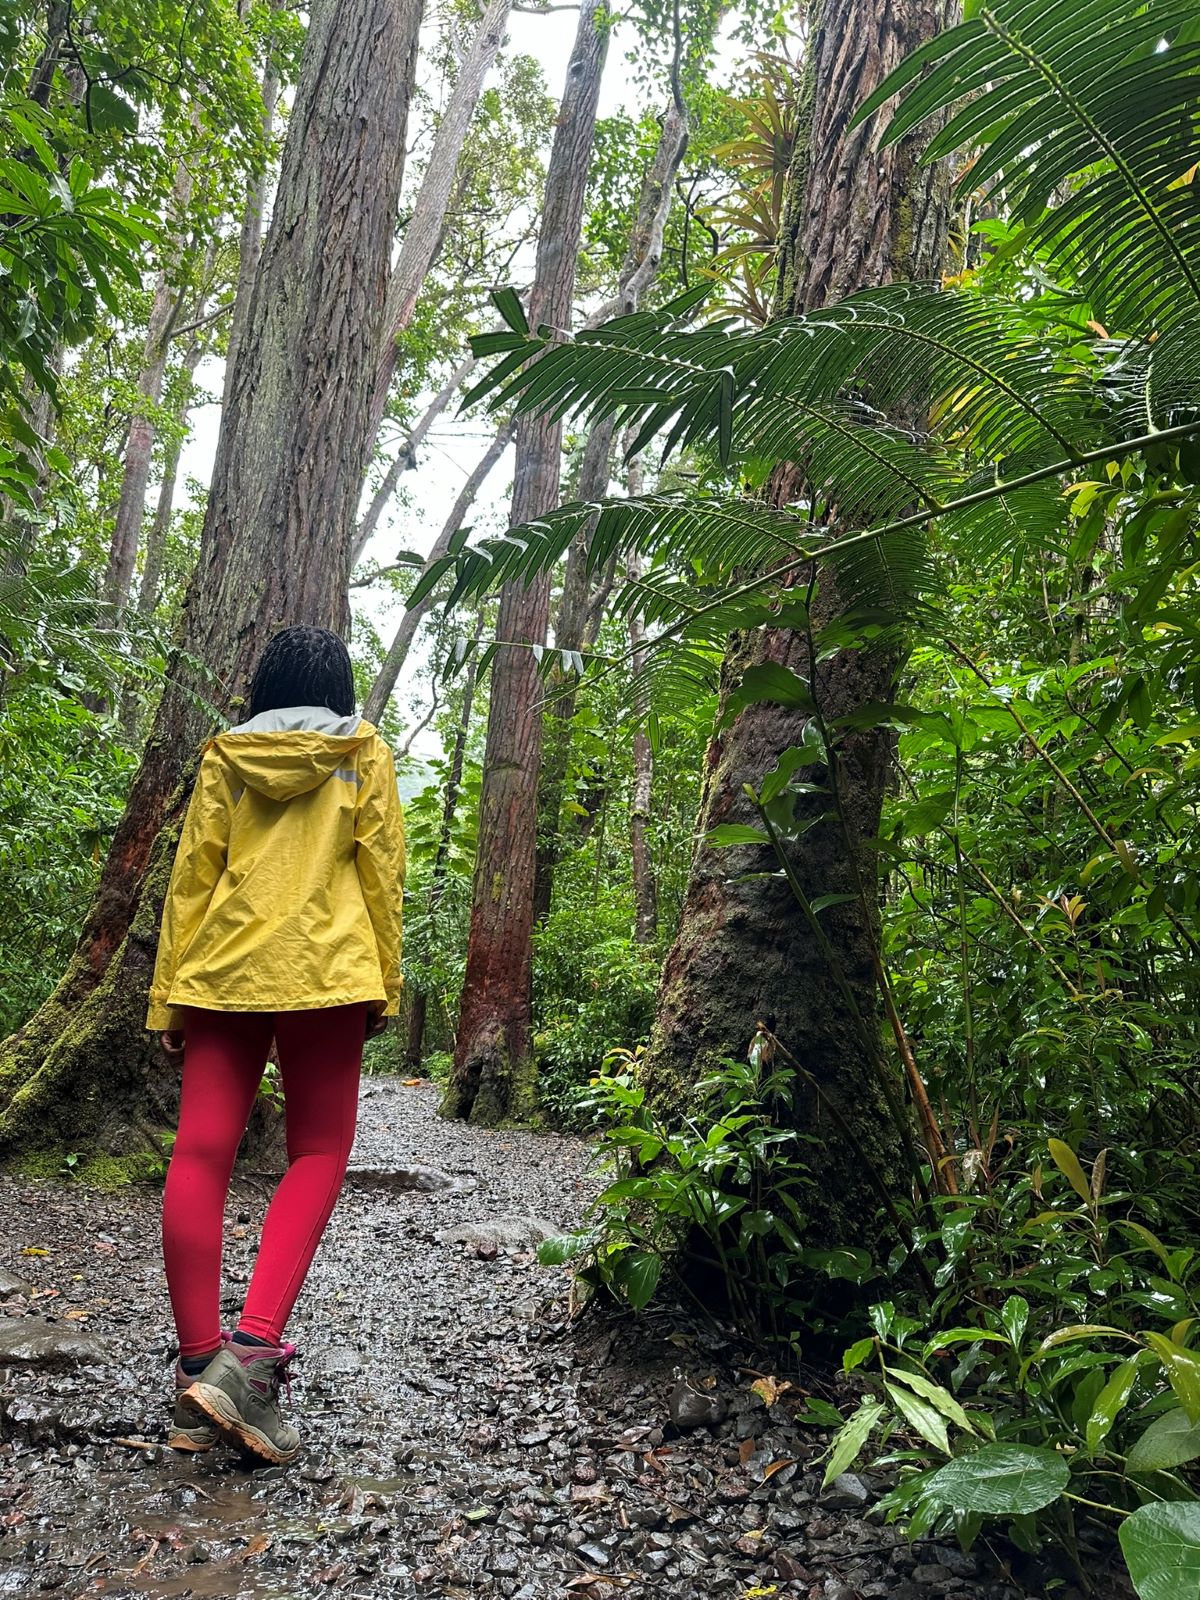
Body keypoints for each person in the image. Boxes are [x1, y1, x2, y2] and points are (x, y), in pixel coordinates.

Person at [147, 625, 406, 1465]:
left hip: (222, 966)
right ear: (340, 690)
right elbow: (381, 874)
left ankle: (199, 1371)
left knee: (200, 1153)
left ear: (263, 688)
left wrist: (168, 998)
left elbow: (193, 878)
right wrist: (384, 982)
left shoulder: (226, 756)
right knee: (319, 1152)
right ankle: (250, 1360)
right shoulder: (362, 751)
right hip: (328, 970)